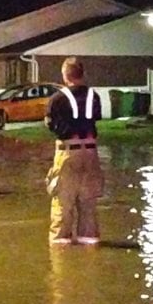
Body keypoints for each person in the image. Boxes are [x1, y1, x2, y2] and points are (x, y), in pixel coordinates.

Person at [44, 57, 103, 245]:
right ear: (82, 74)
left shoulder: (57, 99)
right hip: (91, 153)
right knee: (88, 201)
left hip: (68, 152)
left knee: (63, 200)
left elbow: (50, 124)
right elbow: (95, 119)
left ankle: (61, 248)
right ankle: (89, 242)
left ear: (64, 75)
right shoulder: (94, 96)